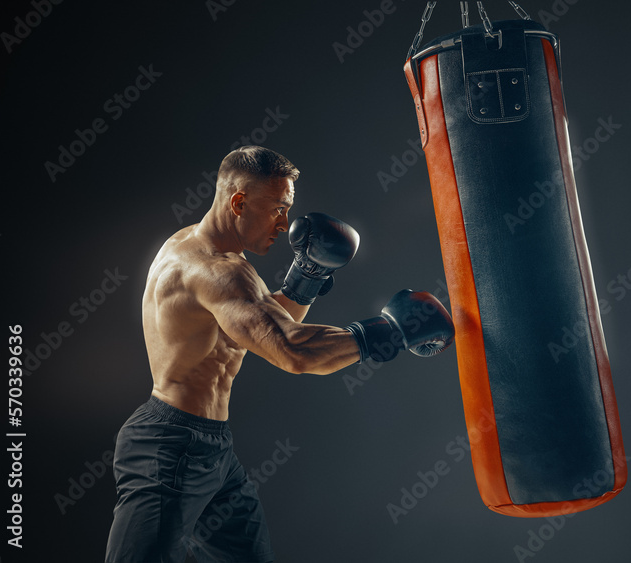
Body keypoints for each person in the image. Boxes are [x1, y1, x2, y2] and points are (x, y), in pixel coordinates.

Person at [105, 146, 454, 562]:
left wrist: (306, 278)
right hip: (172, 447)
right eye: (277, 209)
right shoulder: (218, 272)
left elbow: (249, 332)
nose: (284, 223)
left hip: (211, 446)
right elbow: (292, 351)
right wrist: (390, 333)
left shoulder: (196, 248)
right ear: (238, 201)